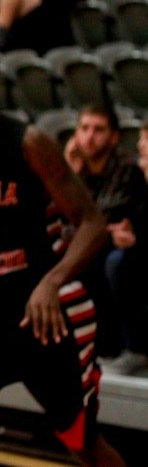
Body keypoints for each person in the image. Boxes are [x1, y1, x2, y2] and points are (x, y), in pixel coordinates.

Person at [0, 39, 127, 466]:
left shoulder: (27, 142)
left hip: (40, 309)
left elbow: (93, 224)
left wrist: (52, 281)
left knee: (81, 442)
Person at [65, 105, 148, 374]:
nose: (89, 137)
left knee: (110, 260)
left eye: (98, 130)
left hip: (121, 250)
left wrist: (93, 229)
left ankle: (130, 348)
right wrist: (71, 175)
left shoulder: (126, 168)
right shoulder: (80, 169)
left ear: (114, 137)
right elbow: (65, 222)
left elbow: (96, 221)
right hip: (106, 246)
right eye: (84, 129)